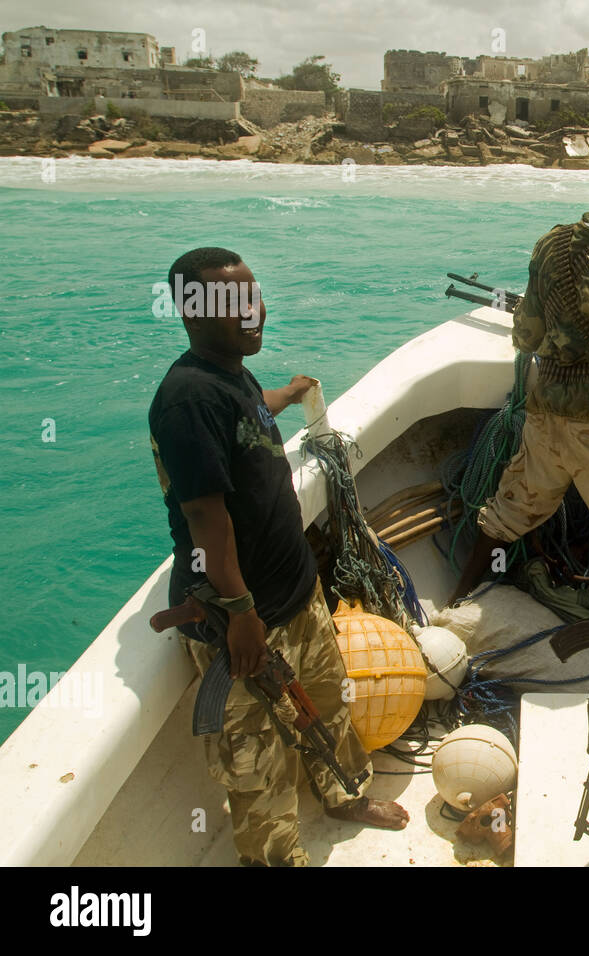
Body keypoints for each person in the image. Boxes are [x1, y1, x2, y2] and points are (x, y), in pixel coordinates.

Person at [149, 246, 408, 866]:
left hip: (296, 592)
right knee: (257, 765)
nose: (254, 311)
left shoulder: (229, 372)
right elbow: (205, 517)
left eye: (254, 295)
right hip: (240, 616)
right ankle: (272, 859)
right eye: (234, 303)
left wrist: (288, 393)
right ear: (191, 311)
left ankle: (348, 795)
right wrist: (240, 613)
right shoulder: (186, 401)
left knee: (332, 703)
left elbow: (246, 416)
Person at [448, 159, 589, 603]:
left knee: (507, 513)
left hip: (543, 414)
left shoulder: (550, 243)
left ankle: (458, 599)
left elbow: (526, 335)